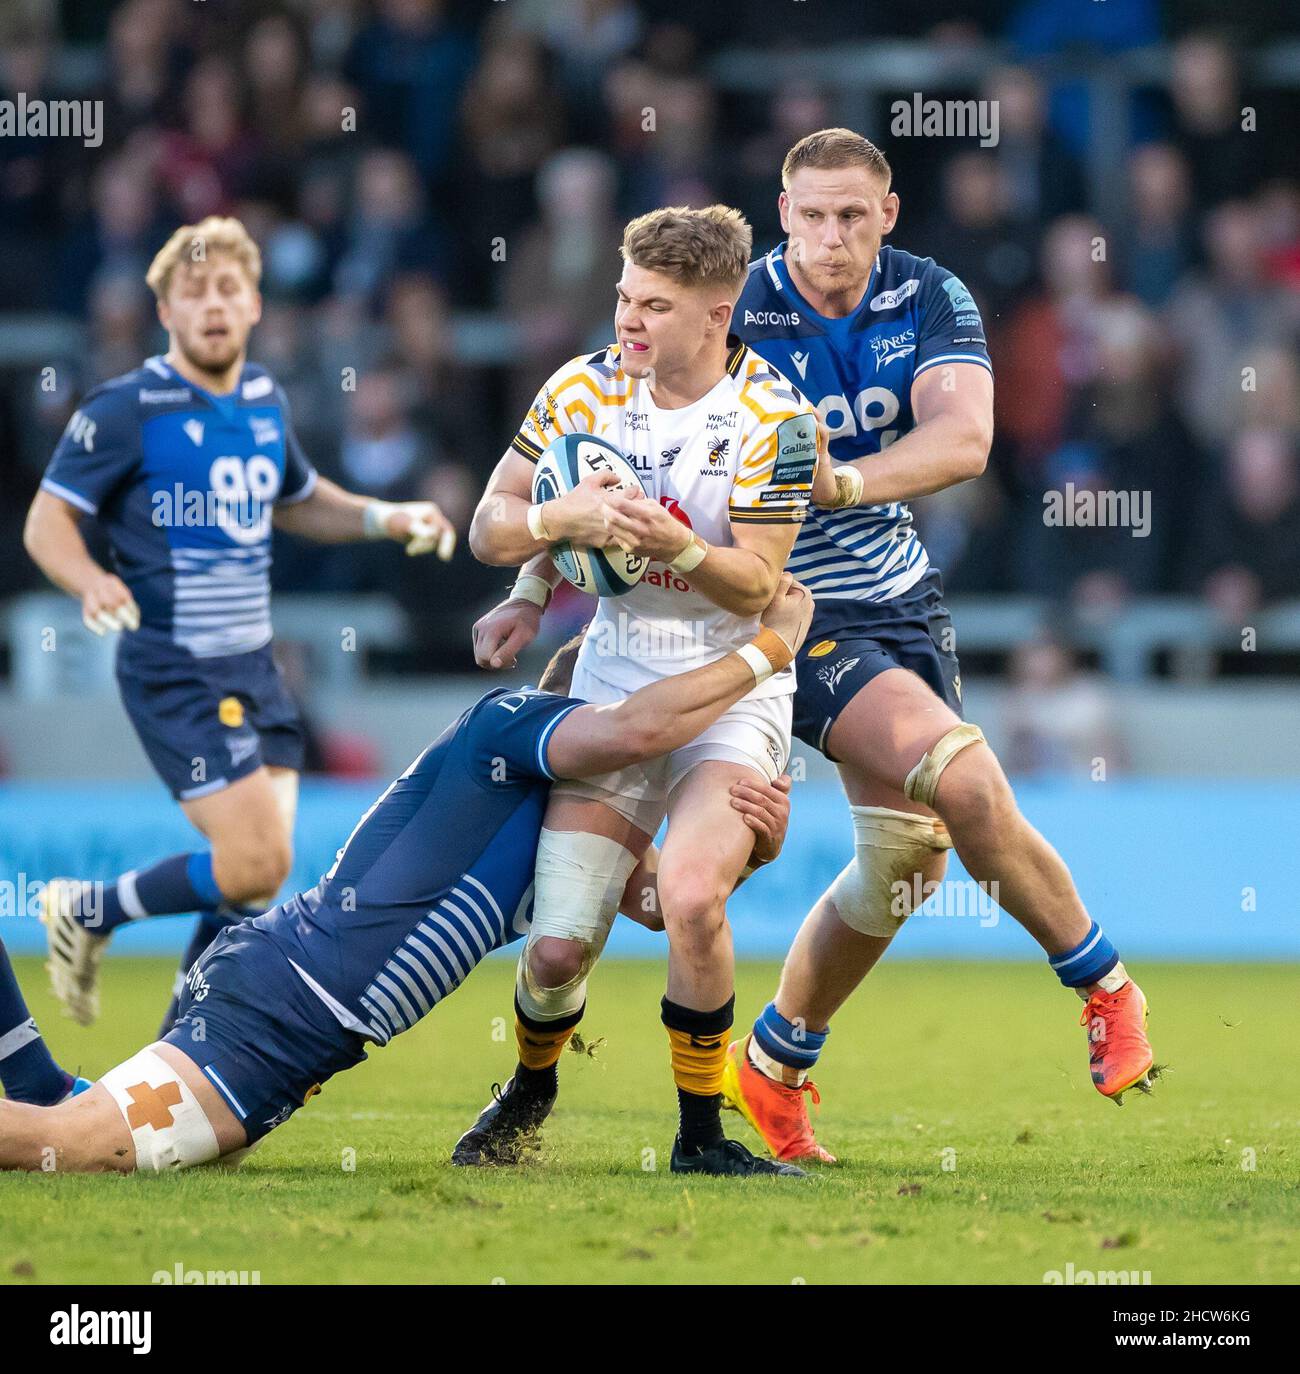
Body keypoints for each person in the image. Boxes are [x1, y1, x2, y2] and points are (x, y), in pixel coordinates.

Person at [474, 132, 1158, 1166]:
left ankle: (777, 1059)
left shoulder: (928, 298)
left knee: (908, 860)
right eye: (810, 215)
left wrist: (843, 481)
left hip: (892, 596)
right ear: (781, 215)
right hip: (782, 611)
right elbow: (598, 448)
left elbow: (965, 442)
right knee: (963, 782)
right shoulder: (717, 300)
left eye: (852, 215)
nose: (830, 236)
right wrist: (536, 579)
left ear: (887, 216)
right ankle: (1104, 986)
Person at [0, 582, 810, 1174]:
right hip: (289, 1005)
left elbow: (662, 907)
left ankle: (31, 1074)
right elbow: (641, 724)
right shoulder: (509, 724)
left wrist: (757, 849)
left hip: (296, 1015)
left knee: (76, 1118)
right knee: (72, 1151)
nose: (641, 763)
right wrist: (768, 653)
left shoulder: (581, 830)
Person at [23, 215, 455, 1034]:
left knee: (250, 885)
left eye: (228, 288)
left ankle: (177, 1050)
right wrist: (89, 579)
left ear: (254, 304)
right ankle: (89, 908)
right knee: (258, 860)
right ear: (166, 313)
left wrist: (381, 520)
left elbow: (298, 499)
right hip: (175, 668)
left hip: (256, 671)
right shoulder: (125, 407)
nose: (213, 305)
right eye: (194, 292)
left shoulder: (261, 398)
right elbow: (46, 523)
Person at [466, 204, 820, 1176]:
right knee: (553, 955)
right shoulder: (579, 389)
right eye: (624, 296)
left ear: (717, 312)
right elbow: (489, 522)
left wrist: (679, 548)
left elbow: (759, 584)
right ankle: (530, 1087)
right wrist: (540, 554)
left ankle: (700, 1138)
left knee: (693, 899)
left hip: (729, 690)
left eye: (653, 306)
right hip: (614, 673)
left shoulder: (773, 420)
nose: (627, 319)